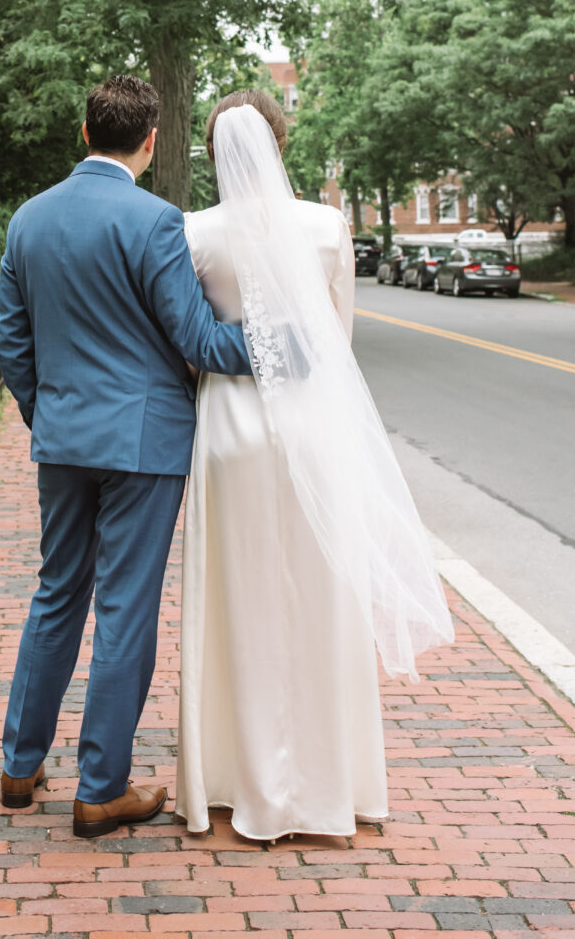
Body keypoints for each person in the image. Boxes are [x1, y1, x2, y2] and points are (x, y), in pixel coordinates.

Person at [176, 91, 453, 842]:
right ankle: (335, 786)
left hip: (230, 429)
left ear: (213, 149)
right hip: (312, 426)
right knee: (320, 598)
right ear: (281, 141)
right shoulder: (329, 227)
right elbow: (339, 344)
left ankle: (237, 782)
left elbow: (189, 338)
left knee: (239, 600)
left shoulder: (194, 233)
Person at [0, 74, 252, 839]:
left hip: (64, 437)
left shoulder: (28, 221)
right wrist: (285, 341)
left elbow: (12, 344)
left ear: (83, 133)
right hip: (144, 443)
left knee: (56, 594)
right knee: (125, 611)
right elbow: (201, 342)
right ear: (150, 141)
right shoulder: (156, 222)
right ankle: (100, 788)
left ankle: (19, 762)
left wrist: (51, 416)